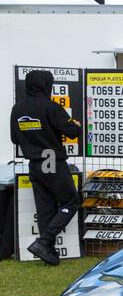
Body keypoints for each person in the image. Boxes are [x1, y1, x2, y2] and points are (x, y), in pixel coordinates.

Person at [9, 69, 81, 265]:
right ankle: (44, 241)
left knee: (45, 209)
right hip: (52, 162)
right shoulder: (51, 107)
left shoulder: (17, 109)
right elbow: (73, 132)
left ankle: (48, 252)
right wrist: (76, 124)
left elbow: (15, 138)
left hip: (34, 164)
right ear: (45, 86)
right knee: (71, 202)